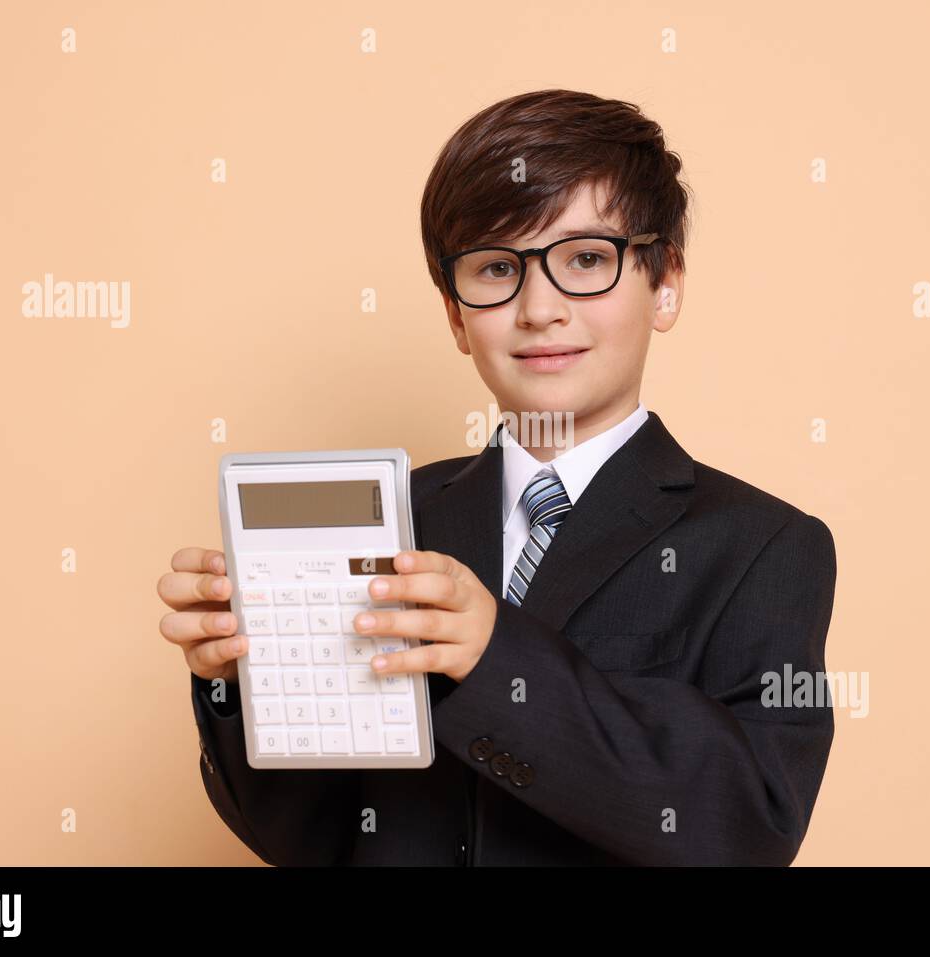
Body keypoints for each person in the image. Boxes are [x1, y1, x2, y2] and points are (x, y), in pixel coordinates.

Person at [156, 88, 837, 866]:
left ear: (666, 282)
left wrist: (495, 655)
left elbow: (747, 826)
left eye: (586, 258)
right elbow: (307, 836)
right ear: (455, 313)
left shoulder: (767, 546)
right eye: (495, 267)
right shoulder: (396, 519)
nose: (540, 307)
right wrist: (236, 681)